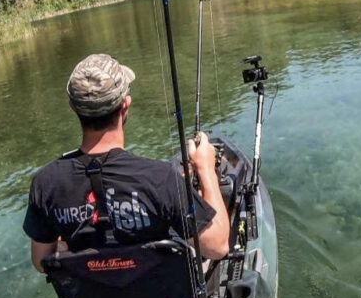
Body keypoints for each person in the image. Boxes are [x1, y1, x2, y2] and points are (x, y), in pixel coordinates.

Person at [23, 53, 229, 272]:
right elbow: (217, 246)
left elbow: (42, 262)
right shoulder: (160, 177)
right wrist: (205, 168)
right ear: (125, 105)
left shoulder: (45, 183)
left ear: (73, 107)